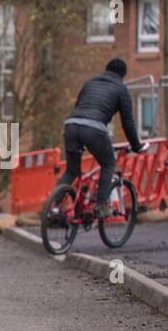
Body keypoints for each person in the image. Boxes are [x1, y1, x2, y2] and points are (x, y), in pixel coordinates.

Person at [60, 58, 146, 218]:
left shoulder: (89, 83)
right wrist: (136, 146)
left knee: (71, 171)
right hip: (94, 129)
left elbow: (79, 106)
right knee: (108, 164)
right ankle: (100, 206)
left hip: (71, 125)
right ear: (122, 75)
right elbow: (127, 123)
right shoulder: (121, 89)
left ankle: (53, 205)